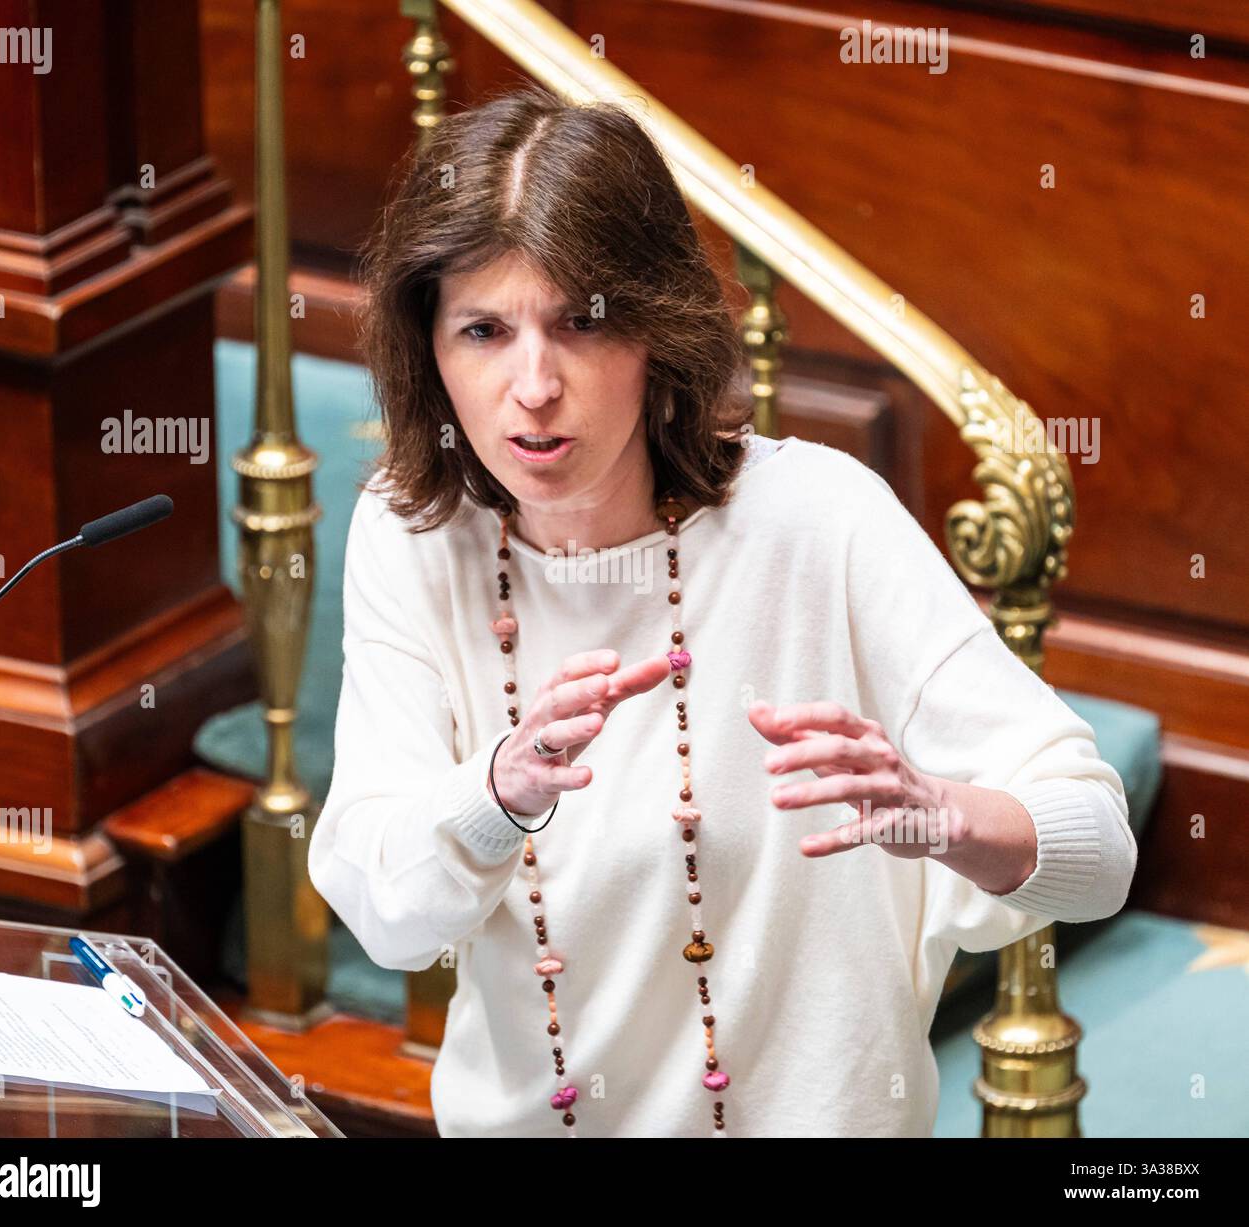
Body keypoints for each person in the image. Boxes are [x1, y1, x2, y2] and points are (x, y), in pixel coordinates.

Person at [307, 83, 1136, 1138]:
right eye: (482, 330)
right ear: (428, 350)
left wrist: (940, 811)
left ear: (655, 331)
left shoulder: (814, 518)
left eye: (578, 324)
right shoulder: (412, 535)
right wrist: (499, 793)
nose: (532, 386)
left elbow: (1097, 850)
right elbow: (387, 913)